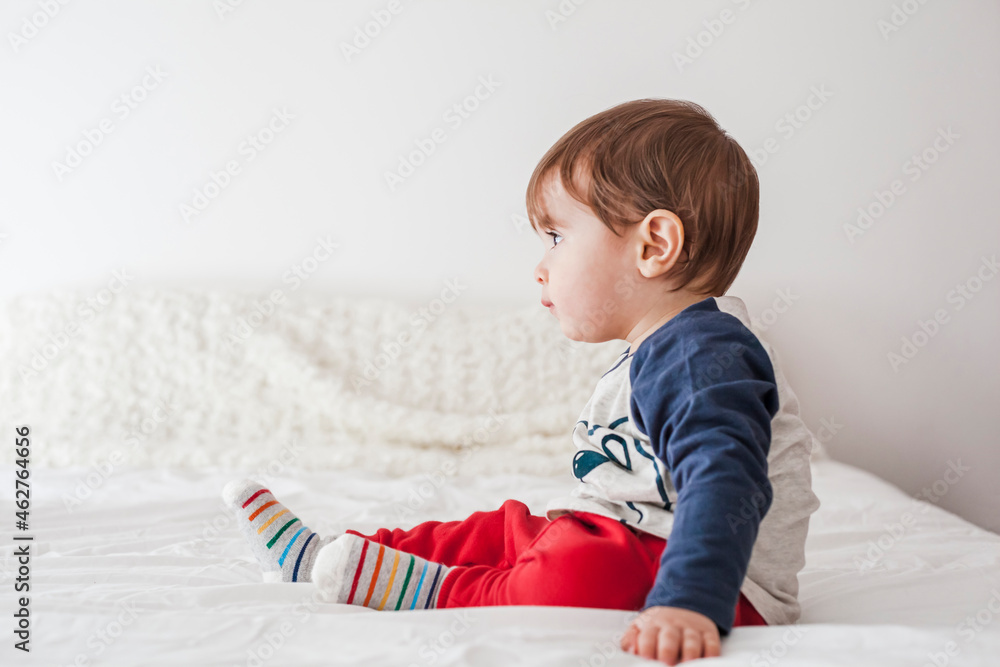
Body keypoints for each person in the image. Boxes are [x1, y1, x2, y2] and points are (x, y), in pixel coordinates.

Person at [221, 98, 820, 666]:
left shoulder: (704, 354)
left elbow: (725, 480)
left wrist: (690, 601)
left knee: (571, 567)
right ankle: (329, 552)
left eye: (557, 237)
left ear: (654, 246)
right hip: (633, 537)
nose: (541, 265)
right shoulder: (662, 348)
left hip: (718, 582)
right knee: (506, 528)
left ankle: (432, 590)